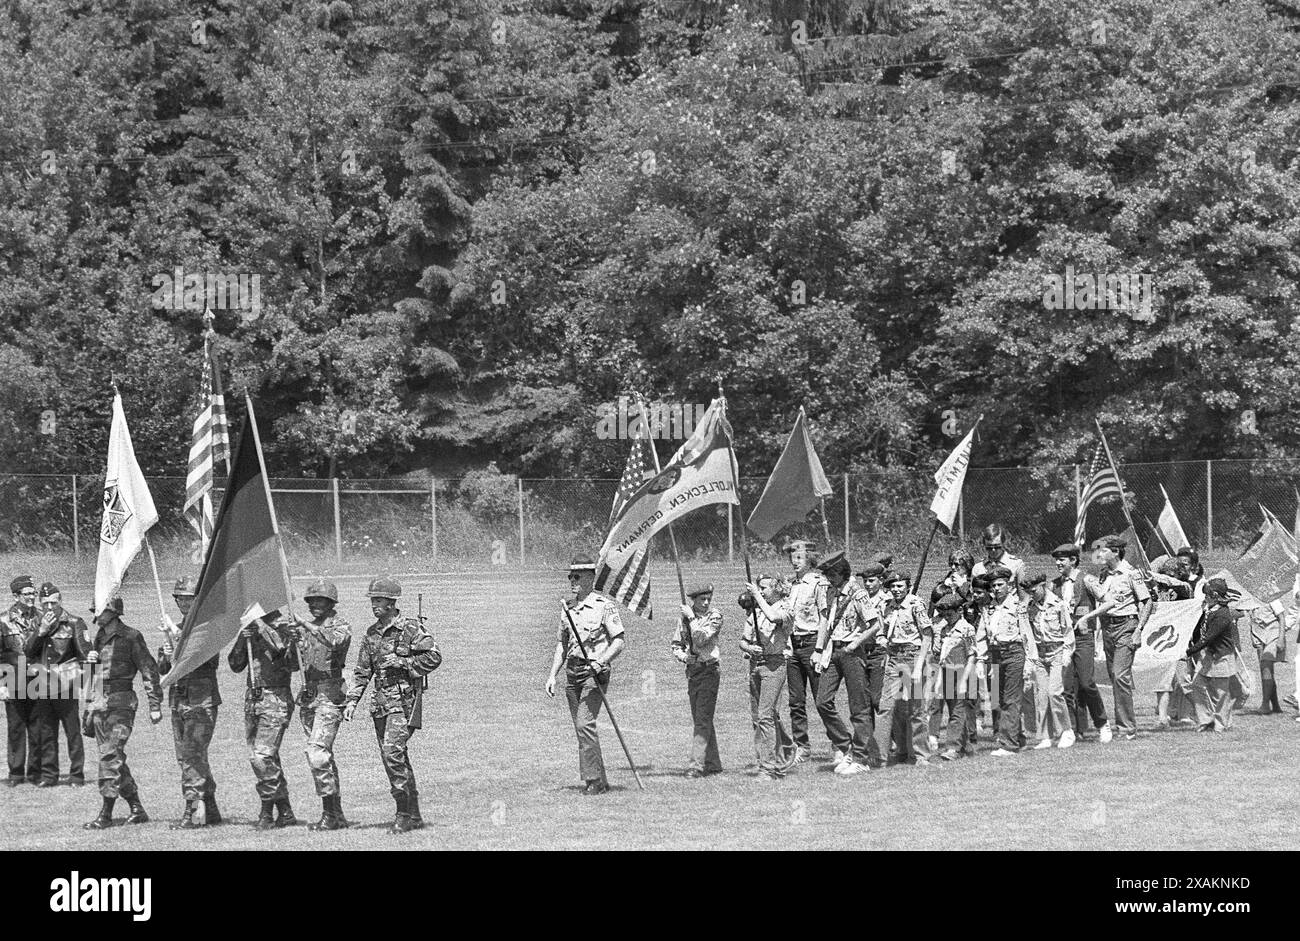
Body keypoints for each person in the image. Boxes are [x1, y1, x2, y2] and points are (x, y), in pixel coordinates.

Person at [345, 576, 441, 832]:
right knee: (395, 757)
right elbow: (362, 671)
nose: (375, 605)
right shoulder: (371, 634)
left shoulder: (410, 629)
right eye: (373, 600)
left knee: (392, 752)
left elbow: (434, 657)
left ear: (391, 602)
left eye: (379, 600)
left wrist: (405, 664)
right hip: (380, 704)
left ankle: (402, 813)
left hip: (403, 702)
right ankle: (414, 813)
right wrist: (352, 701)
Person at [82, 598, 163, 829]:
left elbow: (149, 669)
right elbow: (91, 679)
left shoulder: (131, 636)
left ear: (113, 612)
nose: (97, 614)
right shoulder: (97, 637)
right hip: (99, 703)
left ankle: (105, 814)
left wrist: (154, 704)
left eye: (101, 610)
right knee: (114, 758)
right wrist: (89, 665)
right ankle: (137, 808)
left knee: (109, 755)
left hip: (121, 704)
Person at [546, 556, 623, 795]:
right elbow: (562, 644)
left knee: (584, 723)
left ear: (590, 577)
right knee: (582, 729)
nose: (572, 581)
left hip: (594, 672)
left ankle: (594, 781)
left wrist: (600, 662)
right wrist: (552, 675)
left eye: (577, 577)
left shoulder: (603, 606)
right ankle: (600, 778)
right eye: (570, 576)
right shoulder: (567, 608)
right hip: (573, 672)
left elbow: (619, 641)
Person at [157, 575, 222, 829]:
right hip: (180, 699)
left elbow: (205, 658)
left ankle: (194, 814)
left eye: (188, 598)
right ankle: (212, 809)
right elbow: (165, 669)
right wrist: (166, 653)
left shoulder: (206, 626)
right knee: (188, 757)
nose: (183, 602)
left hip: (200, 701)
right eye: (179, 598)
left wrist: (177, 636)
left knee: (192, 756)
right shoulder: (180, 628)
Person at [1075, 534, 1152, 741]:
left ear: (1115, 552)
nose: (1098, 554)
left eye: (1103, 550)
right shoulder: (1102, 574)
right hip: (1108, 627)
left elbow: (1147, 602)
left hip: (1127, 626)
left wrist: (1138, 630)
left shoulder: (1130, 573)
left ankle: (1127, 728)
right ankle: (1120, 726)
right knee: (1113, 678)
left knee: (1120, 676)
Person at [229, 610, 300, 829]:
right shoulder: (250, 624)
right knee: (267, 758)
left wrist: (260, 627)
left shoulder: (284, 624)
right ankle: (286, 811)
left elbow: (284, 654)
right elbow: (235, 664)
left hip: (275, 697)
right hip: (253, 698)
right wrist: (244, 636)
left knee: (261, 757)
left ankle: (266, 811)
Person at [290, 579, 352, 829]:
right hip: (309, 697)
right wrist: (292, 641)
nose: (316, 605)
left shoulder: (340, 626)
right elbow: (294, 665)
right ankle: (335, 814)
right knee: (323, 757)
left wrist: (305, 626)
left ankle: (330, 815)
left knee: (316, 753)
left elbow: (334, 642)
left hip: (331, 696)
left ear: (331, 603)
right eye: (312, 601)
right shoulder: (305, 629)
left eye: (321, 601)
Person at [811, 551, 880, 775]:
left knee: (858, 707)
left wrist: (854, 644)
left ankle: (861, 757)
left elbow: (875, 624)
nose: (828, 578)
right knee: (822, 700)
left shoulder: (857, 593)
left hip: (852, 651)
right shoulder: (830, 592)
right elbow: (825, 621)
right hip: (833, 650)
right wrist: (819, 649)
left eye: (831, 573)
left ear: (842, 573)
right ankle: (846, 745)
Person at [24, 583, 90, 787]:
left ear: (60, 601)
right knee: (46, 732)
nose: (50, 608)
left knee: (72, 732)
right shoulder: (36, 622)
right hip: (42, 684)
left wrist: (87, 688)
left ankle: (77, 774)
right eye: (45, 604)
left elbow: (85, 655)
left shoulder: (74, 623)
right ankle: (49, 775)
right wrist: (41, 631)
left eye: (53, 602)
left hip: (66, 686)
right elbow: (27, 651)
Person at [739, 575, 797, 779]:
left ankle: (768, 768)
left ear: (777, 589)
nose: (760, 591)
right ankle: (779, 755)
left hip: (774, 666)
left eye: (764, 588)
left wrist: (756, 595)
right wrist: (749, 647)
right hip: (756, 665)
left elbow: (773, 617)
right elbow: (743, 641)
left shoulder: (786, 610)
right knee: (759, 718)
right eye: (758, 588)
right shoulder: (755, 611)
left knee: (765, 716)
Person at [1051, 544, 1110, 742]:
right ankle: (1073, 729)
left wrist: (1088, 618)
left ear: (1074, 560)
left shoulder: (1086, 579)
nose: (1058, 563)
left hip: (1083, 637)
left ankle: (1102, 723)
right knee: (1066, 686)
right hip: (1063, 640)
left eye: (1063, 559)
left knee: (1086, 682)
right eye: (1057, 559)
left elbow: (1109, 601)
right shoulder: (1054, 585)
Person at [878, 571, 934, 765]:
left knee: (915, 709)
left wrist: (919, 667)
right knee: (888, 707)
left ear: (907, 586)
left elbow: (927, 635)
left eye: (900, 586)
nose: (896, 589)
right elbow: (883, 632)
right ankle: (884, 754)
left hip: (912, 656)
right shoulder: (887, 606)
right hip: (893, 657)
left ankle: (920, 755)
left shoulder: (916, 605)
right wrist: (883, 641)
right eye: (892, 586)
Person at [783, 540, 829, 763]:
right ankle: (801, 746)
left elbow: (824, 618)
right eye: (792, 556)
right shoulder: (789, 585)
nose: (794, 561)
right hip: (792, 646)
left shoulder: (818, 583)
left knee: (822, 698)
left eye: (799, 557)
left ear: (810, 559)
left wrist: (819, 649)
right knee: (796, 700)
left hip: (812, 644)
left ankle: (839, 744)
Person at [984, 565, 1036, 757]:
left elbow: (1026, 635)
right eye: (993, 585)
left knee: (1011, 699)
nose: (996, 589)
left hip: (1014, 652)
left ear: (1009, 586)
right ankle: (1018, 738)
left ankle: (1009, 744)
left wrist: (1030, 661)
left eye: (1000, 584)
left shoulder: (1017, 606)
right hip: (996, 654)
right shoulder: (990, 608)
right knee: (998, 699)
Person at [673, 584, 723, 778]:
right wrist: (685, 657)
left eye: (708, 599)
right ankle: (713, 762)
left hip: (710, 670)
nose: (706, 603)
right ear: (694, 600)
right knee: (701, 718)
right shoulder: (684, 620)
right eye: (702, 600)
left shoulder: (715, 616)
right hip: (694, 672)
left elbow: (701, 638)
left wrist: (692, 618)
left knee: (702, 719)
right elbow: (676, 644)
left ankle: (696, 766)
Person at [1023, 572, 1074, 748]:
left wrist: (1067, 654)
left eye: (1034, 590)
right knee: (1042, 695)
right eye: (1029, 592)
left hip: (1057, 652)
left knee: (1055, 692)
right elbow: (1029, 633)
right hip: (1040, 654)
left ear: (1043, 585)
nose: (1032, 594)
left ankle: (1066, 730)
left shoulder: (1058, 605)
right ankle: (1046, 735)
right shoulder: (1031, 607)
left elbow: (1068, 631)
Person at [930, 592, 982, 760]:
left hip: (962, 672)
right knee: (953, 709)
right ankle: (965, 746)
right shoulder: (944, 629)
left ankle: (952, 747)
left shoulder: (967, 629)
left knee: (958, 711)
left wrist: (965, 679)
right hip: (946, 672)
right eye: (944, 614)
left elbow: (972, 655)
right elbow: (938, 654)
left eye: (950, 614)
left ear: (959, 610)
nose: (947, 617)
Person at [1148, 557, 1196, 729]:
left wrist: (1156, 576)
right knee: (1162, 681)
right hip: (1162, 641)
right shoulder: (1157, 589)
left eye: (1172, 574)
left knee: (1183, 680)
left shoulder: (1184, 588)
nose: (1167, 578)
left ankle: (1204, 710)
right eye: (1165, 574)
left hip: (1181, 640)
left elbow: (1178, 585)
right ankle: (1163, 718)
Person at [1187, 578, 1240, 732]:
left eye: (1207, 595)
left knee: (1220, 693)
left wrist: (1189, 652)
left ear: (1215, 596)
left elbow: (1207, 637)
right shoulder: (1209, 611)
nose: (1205, 598)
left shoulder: (1223, 615)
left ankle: (1221, 723)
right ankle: (1205, 719)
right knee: (1197, 684)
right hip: (1209, 655)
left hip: (1222, 656)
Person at [2, 575, 41, 786]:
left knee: (37, 727)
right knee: (16, 728)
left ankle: (35, 772)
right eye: (26, 594)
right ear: (15, 596)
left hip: (38, 681)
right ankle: (16, 773)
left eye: (33, 594)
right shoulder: (3, 621)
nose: (31, 598)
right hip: (13, 681)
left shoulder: (43, 617)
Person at [1248, 599, 1288, 715]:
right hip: (1259, 636)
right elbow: (1252, 619)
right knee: (1266, 672)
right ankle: (1275, 705)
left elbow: (1281, 618)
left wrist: (1281, 639)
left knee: (1266, 667)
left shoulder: (1273, 599)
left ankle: (1265, 704)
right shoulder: (1252, 600)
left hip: (1273, 635)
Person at [930, 548, 975, 618]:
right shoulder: (946, 580)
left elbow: (972, 600)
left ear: (967, 565)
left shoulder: (973, 581)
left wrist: (962, 586)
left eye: (957, 564)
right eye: (951, 564)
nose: (953, 567)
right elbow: (933, 603)